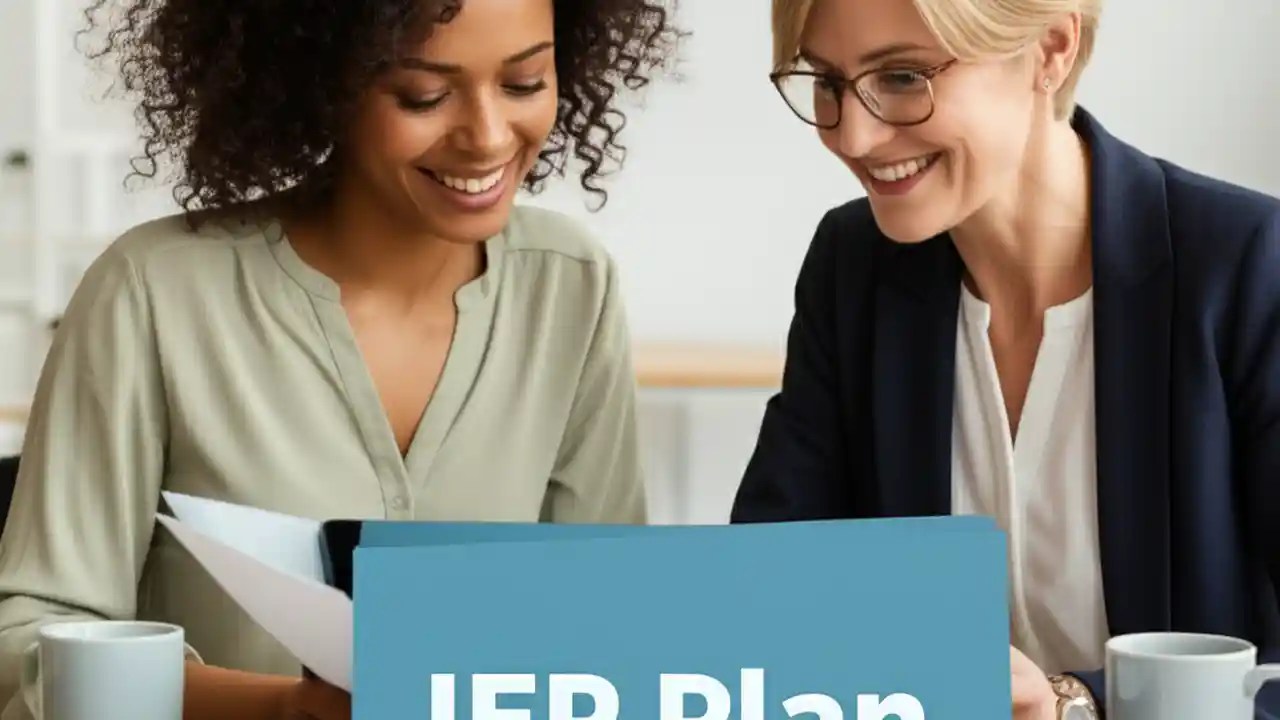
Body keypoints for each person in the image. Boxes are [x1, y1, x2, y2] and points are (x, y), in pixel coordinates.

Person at [0, 0, 682, 717]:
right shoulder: (153, 292)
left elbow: (608, 624)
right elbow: (29, 647)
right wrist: (283, 708)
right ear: (322, 85)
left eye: (524, 84)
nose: (486, 137)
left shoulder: (570, 284)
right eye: (423, 96)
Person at [731, 0, 1280, 718]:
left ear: (1050, 49)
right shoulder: (852, 268)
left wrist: (1075, 703)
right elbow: (770, 590)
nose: (853, 135)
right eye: (828, 83)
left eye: (901, 76)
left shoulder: (1247, 268)